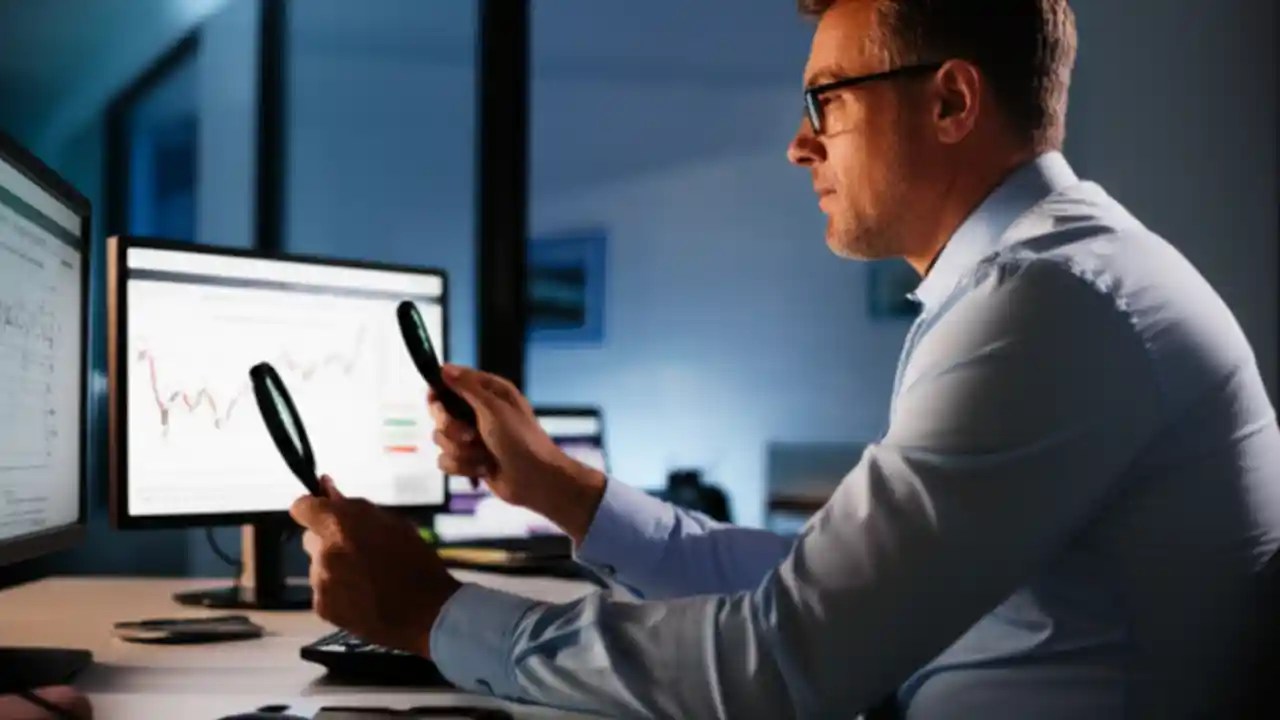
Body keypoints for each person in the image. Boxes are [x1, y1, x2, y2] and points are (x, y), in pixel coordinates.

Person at [289, 0, 1280, 717]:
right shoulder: (1041, 281)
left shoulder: (1047, 306)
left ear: (948, 102)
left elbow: (785, 662)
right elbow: (819, 591)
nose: (799, 148)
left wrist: (433, 615)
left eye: (827, 101)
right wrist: (560, 490)